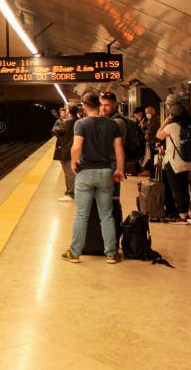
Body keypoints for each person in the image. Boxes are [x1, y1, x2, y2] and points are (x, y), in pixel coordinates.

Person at [61, 92, 125, 264]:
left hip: (85, 173)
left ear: (84, 106)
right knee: (107, 215)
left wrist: (73, 162)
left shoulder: (81, 124)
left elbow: (76, 147)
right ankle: (111, 253)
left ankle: (75, 253)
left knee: (82, 215)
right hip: (105, 172)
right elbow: (119, 150)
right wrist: (120, 169)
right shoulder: (112, 124)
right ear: (99, 105)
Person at [156, 103, 191, 224]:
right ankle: (185, 213)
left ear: (172, 116)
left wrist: (166, 122)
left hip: (174, 163)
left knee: (176, 189)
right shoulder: (189, 125)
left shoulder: (172, 126)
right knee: (184, 189)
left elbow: (158, 134)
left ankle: (182, 217)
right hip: (186, 161)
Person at [52, 104, 79, 202]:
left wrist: (56, 131)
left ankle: (70, 194)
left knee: (69, 173)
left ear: (68, 111)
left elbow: (54, 131)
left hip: (66, 150)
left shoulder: (67, 122)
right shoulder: (78, 121)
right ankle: (72, 192)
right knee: (72, 172)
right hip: (75, 149)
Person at [143, 105, 160, 175]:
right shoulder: (150, 120)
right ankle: (152, 174)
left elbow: (150, 131)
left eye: (148, 113)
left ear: (153, 112)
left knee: (154, 159)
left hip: (155, 142)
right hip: (151, 142)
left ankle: (153, 174)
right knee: (151, 158)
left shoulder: (156, 120)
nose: (147, 114)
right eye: (146, 113)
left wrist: (144, 128)